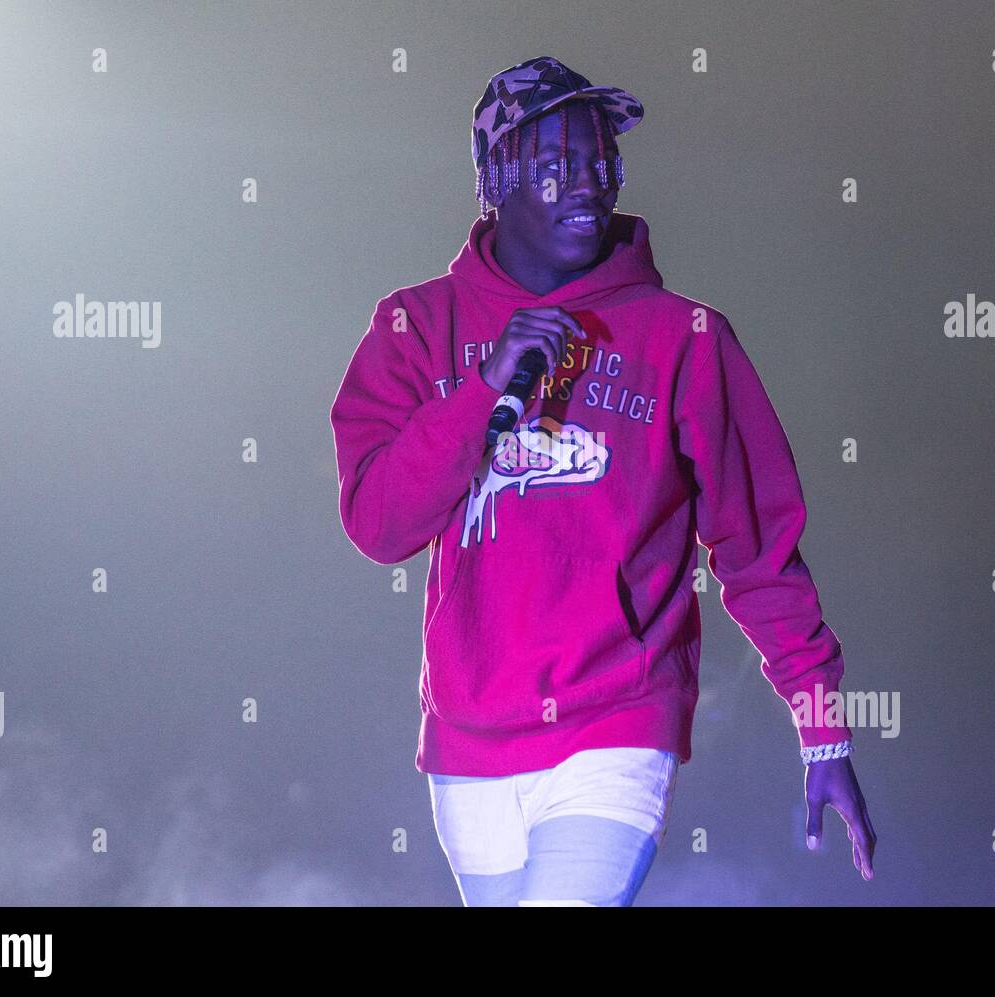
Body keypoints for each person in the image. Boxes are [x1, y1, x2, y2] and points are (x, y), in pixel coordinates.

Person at [329, 55, 875, 906]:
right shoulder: (415, 327)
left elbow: (759, 548)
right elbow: (377, 523)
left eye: (600, 163)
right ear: (496, 180)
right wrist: (482, 391)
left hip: (618, 718)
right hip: (470, 742)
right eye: (555, 167)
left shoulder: (683, 338)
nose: (588, 185)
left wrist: (823, 727)